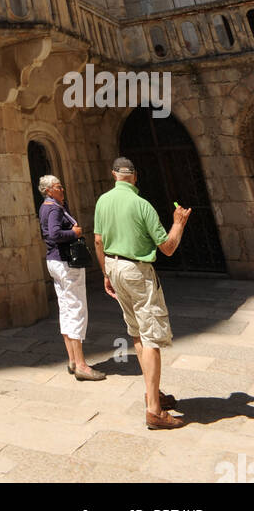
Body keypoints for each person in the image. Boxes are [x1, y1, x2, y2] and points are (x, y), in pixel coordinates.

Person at [93, 156, 191, 430]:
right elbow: (168, 247)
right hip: (137, 271)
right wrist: (179, 222)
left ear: (114, 175)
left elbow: (98, 240)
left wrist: (105, 274)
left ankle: (153, 391)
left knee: (136, 331)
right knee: (151, 338)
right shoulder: (142, 205)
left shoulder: (102, 201)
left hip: (113, 266)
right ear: (135, 177)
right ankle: (154, 411)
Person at [37, 175, 106, 381]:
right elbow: (55, 234)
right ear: (49, 190)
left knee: (66, 308)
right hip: (66, 262)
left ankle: (73, 360)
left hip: (55, 262)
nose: (62, 189)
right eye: (58, 187)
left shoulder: (46, 207)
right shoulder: (55, 209)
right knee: (76, 308)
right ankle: (82, 365)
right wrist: (75, 233)